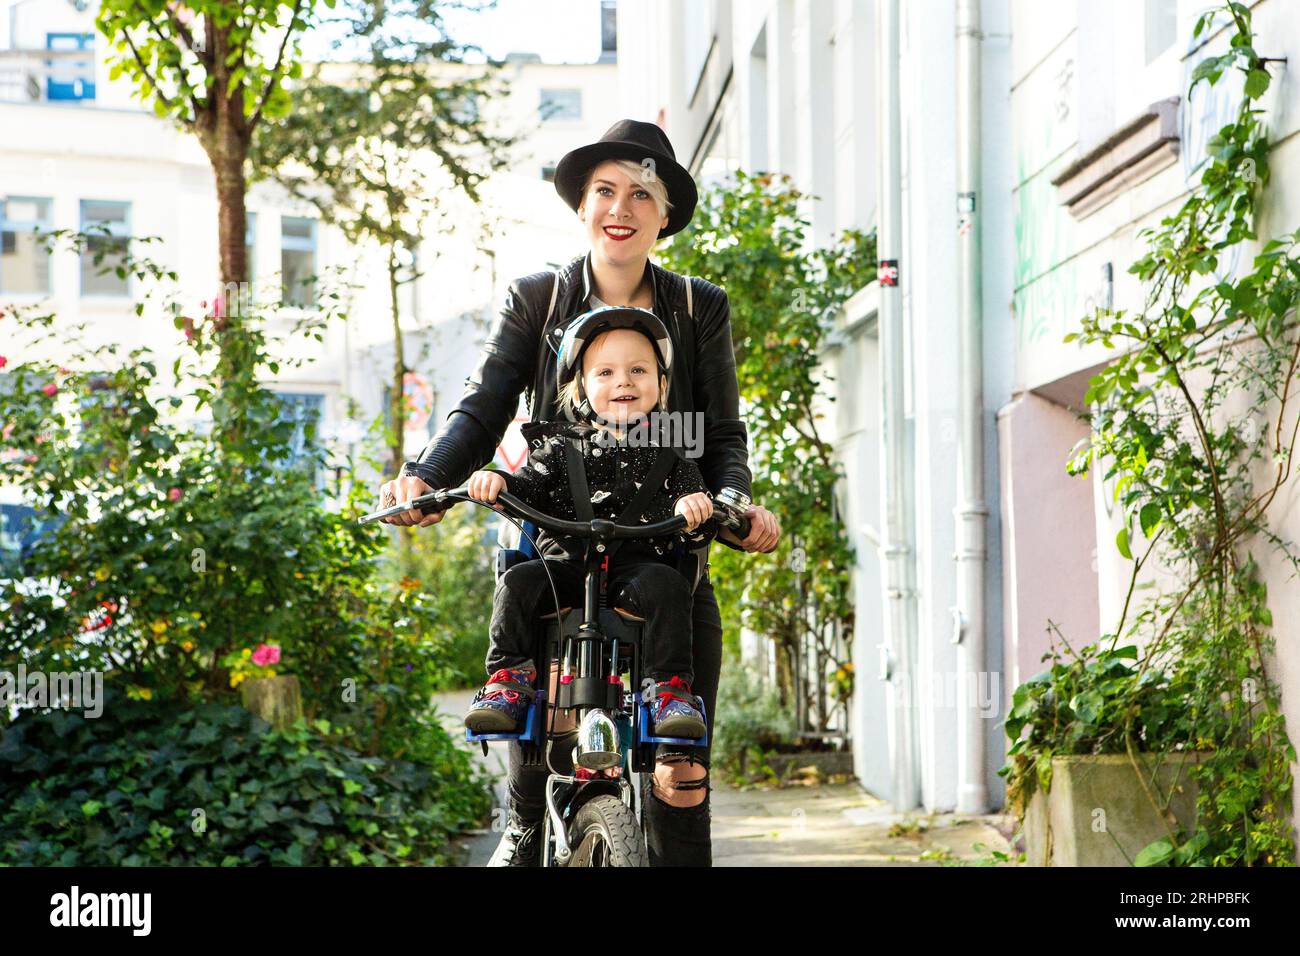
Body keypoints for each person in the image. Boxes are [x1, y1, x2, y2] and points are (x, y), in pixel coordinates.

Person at [378, 118, 782, 867]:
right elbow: (482, 405)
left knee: (681, 765)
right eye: (604, 190)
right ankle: (526, 823)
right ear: (582, 205)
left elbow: (722, 435)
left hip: (663, 552)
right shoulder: (538, 297)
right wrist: (429, 481)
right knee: (534, 712)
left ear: (666, 214)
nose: (620, 207)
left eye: (640, 193)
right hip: (550, 544)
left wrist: (734, 503)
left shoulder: (699, 308)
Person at [462, 309, 718, 741]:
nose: (624, 381)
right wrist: (496, 481)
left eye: (639, 370)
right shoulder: (558, 448)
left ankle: (670, 690)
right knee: (518, 582)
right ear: (580, 386)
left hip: (636, 573)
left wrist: (696, 507)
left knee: (669, 586)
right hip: (562, 570)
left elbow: (698, 526)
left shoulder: (675, 455)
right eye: (606, 372)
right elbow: (524, 490)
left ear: (662, 384)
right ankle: (507, 681)